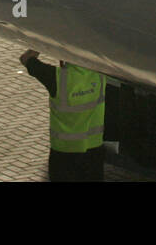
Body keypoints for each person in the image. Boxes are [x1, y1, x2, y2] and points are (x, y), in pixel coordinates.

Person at [19, 49, 106, 181]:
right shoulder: (99, 75)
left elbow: (25, 58)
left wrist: (42, 46)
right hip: (93, 151)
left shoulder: (57, 78)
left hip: (64, 153)